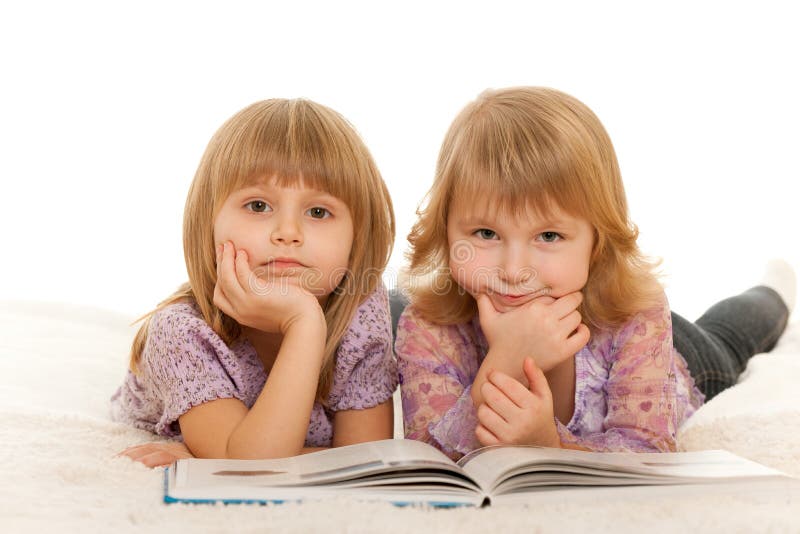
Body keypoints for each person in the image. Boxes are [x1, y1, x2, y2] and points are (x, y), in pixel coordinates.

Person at [395, 87, 794, 459]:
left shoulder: (638, 315)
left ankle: (776, 285)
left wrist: (548, 444)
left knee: (738, 330)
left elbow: (648, 450)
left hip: (683, 354)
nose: (514, 271)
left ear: (597, 239)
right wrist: (506, 360)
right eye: (485, 234)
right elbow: (428, 457)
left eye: (548, 235)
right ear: (445, 229)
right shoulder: (427, 328)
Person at [111, 98, 397, 467]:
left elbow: (366, 460)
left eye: (318, 211)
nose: (288, 233)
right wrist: (304, 324)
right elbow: (252, 463)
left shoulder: (361, 314)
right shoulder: (181, 333)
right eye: (259, 206)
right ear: (208, 222)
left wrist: (215, 456)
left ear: (357, 237)